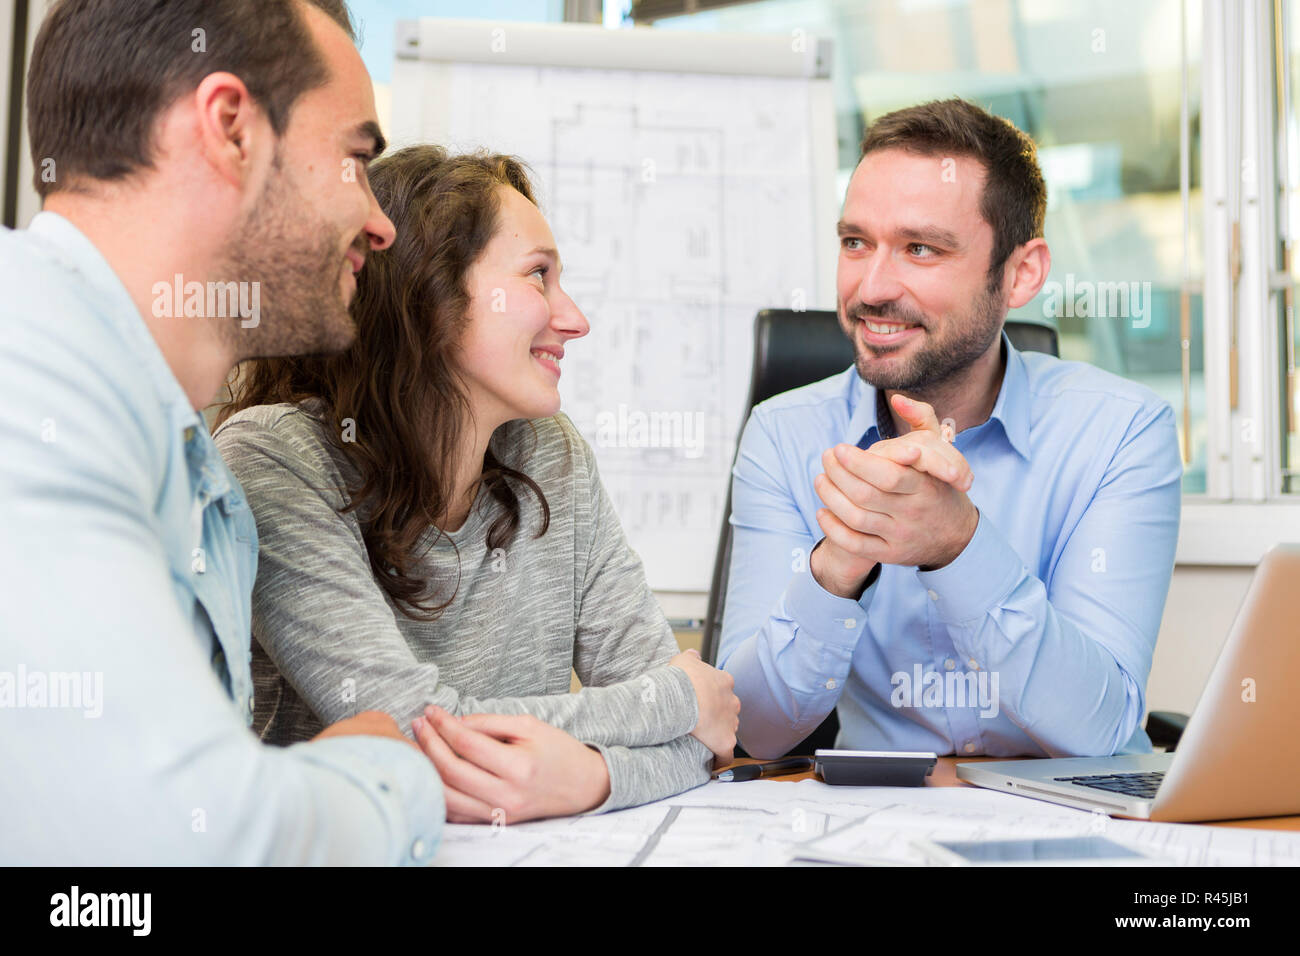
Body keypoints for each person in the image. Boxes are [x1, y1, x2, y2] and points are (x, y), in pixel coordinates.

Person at [0, 0, 443, 864]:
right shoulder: (25, 361)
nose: (380, 223)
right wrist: (387, 774)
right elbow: (192, 837)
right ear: (231, 127)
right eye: (356, 159)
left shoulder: (204, 484)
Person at [212, 144, 740, 823]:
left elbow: (704, 745)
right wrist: (677, 699)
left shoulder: (554, 456)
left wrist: (592, 778)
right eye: (537, 278)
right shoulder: (277, 459)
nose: (574, 318)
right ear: (430, 297)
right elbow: (414, 732)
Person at [718, 98, 1182, 760]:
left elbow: (1099, 729)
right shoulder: (784, 435)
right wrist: (838, 564)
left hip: (1067, 827)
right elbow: (752, 731)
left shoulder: (1122, 433)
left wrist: (957, 545)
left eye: (921, 249)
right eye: (856, 242)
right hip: (874, 827)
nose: (871, 287)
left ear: (1021, 274)